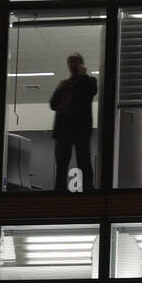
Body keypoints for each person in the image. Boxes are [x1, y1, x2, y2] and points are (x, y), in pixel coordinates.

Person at [50, 52, 98, 192]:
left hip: (80, 129)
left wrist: (83, 76)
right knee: (61, 163)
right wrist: (59, 89)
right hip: (63, 129)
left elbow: (90, 92)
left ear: (81, 64)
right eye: (70, 62)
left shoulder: (89, 81)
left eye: (75, 62)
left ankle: (88, 190)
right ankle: (59, 190)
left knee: (84, 161)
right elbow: (53, 105)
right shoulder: (64, 84)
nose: (72, 65)